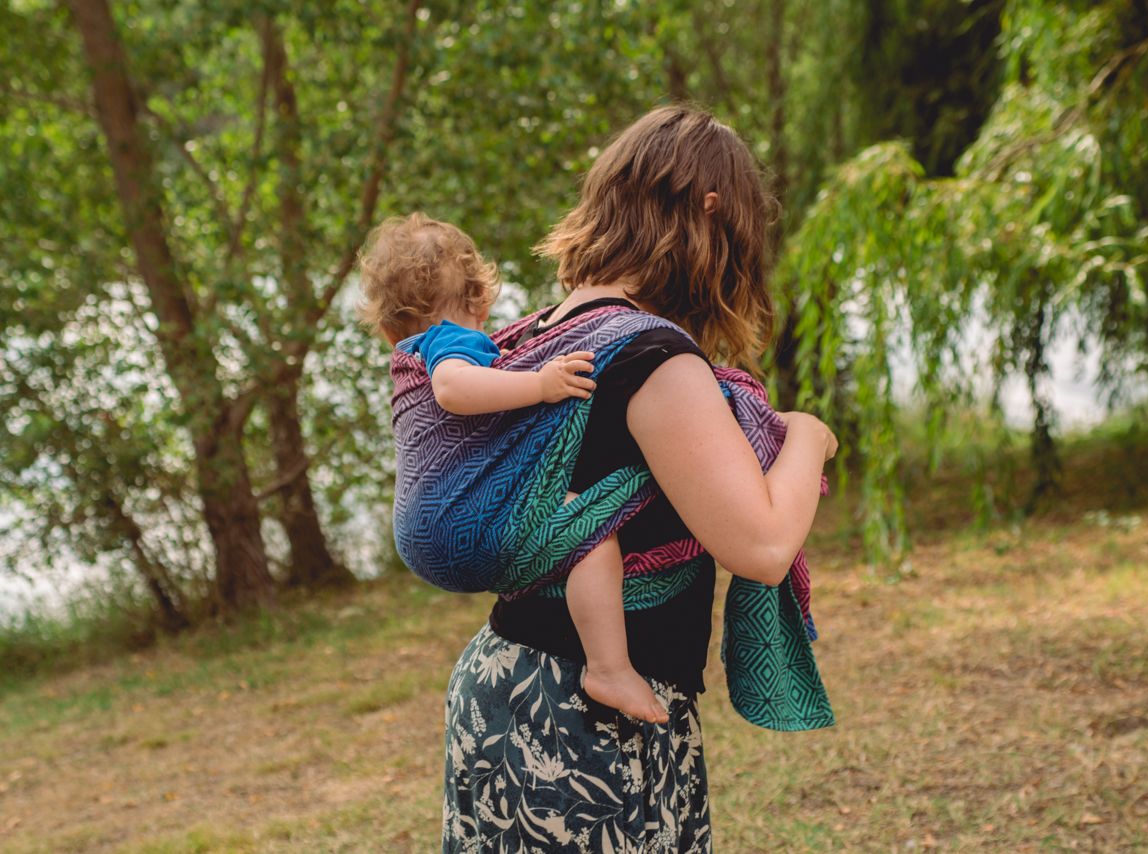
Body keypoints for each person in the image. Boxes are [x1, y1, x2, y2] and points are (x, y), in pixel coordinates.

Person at [439, 105, 837, 852]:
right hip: (582, 721)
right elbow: (761, 546)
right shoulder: (657, 360)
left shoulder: (543, 332)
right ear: (710, 214)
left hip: (502, 688)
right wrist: (809, 436)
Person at [356, 213, 671, 725]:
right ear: (482, 298)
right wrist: (541, 384)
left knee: (563, 533)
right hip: (460, 521)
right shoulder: (449, 342)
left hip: (422, 535)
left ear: (389, 329)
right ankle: (608, 668)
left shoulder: (413, 352)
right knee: (591, 534)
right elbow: (453, 390)